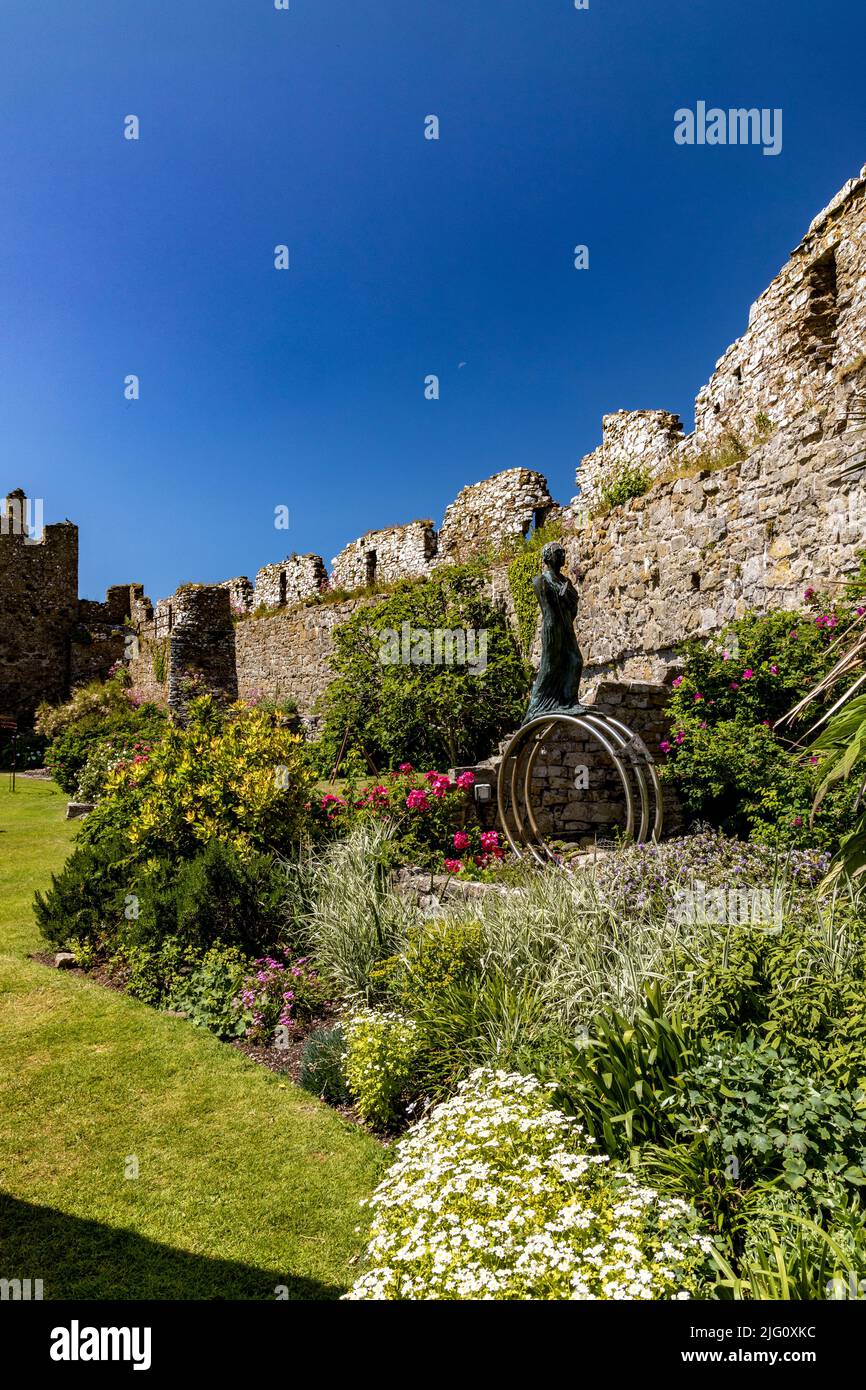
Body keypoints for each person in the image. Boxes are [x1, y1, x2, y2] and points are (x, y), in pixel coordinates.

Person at [522, 540, 585, 723]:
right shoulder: (540, 580)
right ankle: (536, 707)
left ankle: (569, 702)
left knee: (576, 661)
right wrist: (563, 597)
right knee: (550, 668)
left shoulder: (565, 580)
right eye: (559, 553)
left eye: (563, 552)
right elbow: (548, 608)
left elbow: (573, 607)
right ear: (548, 557)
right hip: (552, 628)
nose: (563, 556)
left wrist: (569, 599)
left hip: (566, 626)